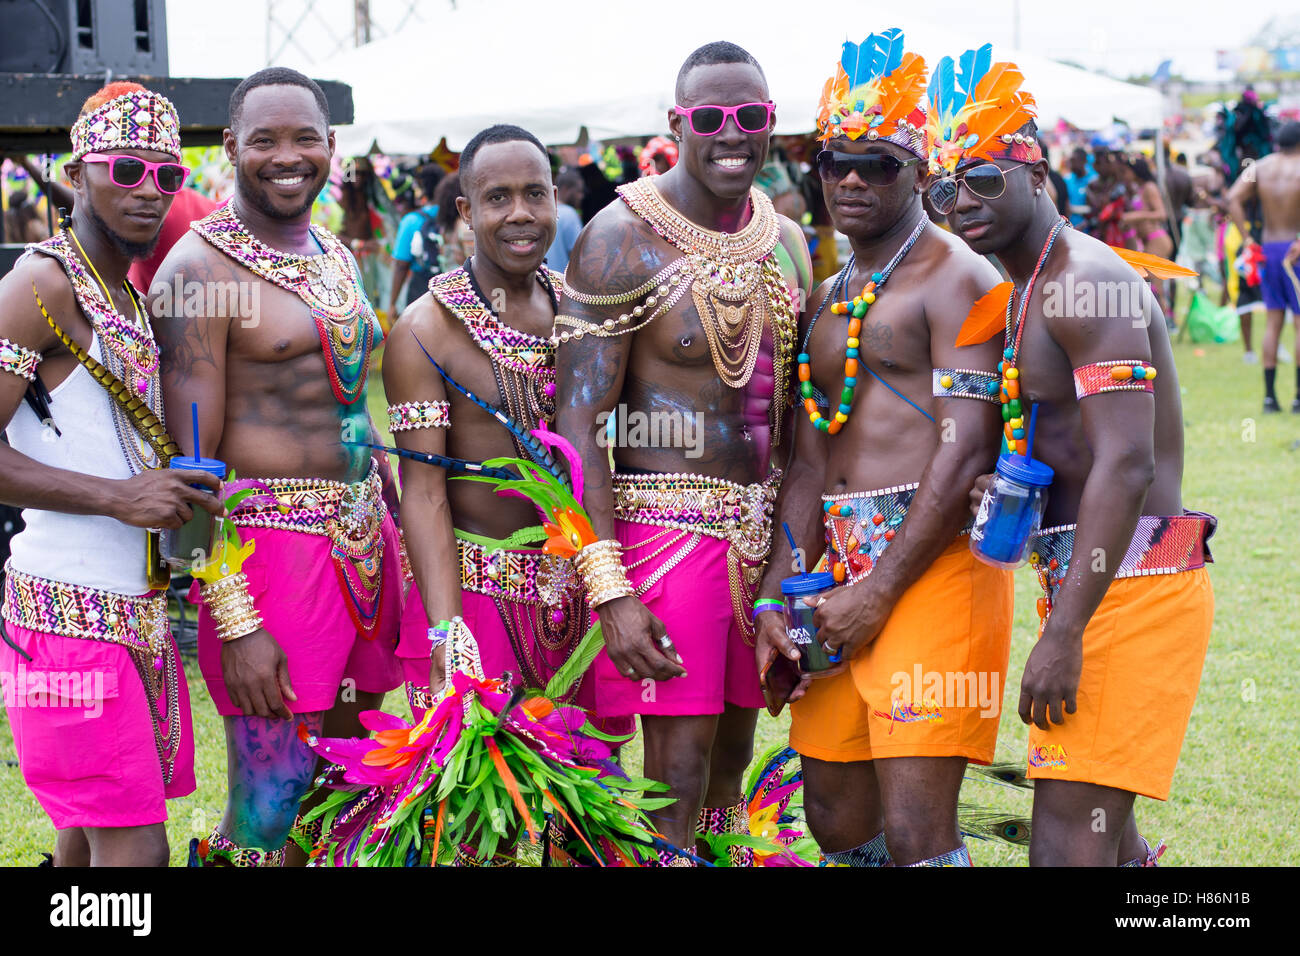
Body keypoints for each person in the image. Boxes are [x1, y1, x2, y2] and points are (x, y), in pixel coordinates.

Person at [939, 63, 1216, 867]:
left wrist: (1064, 634)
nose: (961, 205)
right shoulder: (1030, 287)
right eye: (945, 191)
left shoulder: (1089, 282)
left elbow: (1128, 464)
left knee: (1065, 841)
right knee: (1107, 837)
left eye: (983, 181)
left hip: (1129, 588)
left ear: (1036, 173)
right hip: (1091, 581)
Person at [752, 35, 1011, 868]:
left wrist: (881, 589)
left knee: (916, 829)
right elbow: (807, 459)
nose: (853, 181)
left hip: (932, 566)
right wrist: (771, 591)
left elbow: (967, 449)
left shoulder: (958, 277)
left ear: (920, 172)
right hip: (833, 575)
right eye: (836, 163)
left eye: (880, 165)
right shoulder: (829, 297)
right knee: (833, 810)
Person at [554, 40, 812, 865]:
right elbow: (577, 423)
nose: (732, 134)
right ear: (678, 124)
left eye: (751, 118)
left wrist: (784, 565)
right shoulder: (620, 237)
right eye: (711, 119)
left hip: (759, 540)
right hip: (661, 536)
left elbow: (799, 421)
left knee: (730, 782)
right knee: (675, 775)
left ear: (772, 124)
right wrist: (609, 587)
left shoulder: (790, 241)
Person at [152, 67, 404, 867]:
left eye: (305, 139)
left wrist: (396, 532)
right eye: (265, 140)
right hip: (269, 561)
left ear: (332, 147)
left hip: (364, 551)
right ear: (230, 150)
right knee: (271, 795)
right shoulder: (198, 274)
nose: (286, 157)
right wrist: (232, 619)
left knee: (347, 785)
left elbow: (357, 410)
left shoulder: (332, 254)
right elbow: (188, 465)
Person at [382, 126, 631, 865]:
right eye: (498, 198)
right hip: (477, 597)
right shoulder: (424, 332)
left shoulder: (579, 312)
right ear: (465, 210)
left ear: (557, 201)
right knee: (477, 826)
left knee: (584, 822)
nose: (519, 213)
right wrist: (447, 634)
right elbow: (421, 490)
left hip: (575, 600)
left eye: (535, 193)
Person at [0, 82, 224, 866]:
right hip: (61, 622)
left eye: (166, 176)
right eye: (125, 169)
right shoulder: (41, 284)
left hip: (128, 613)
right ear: (74, 171)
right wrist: (119, 497)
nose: (148, 192)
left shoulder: (123, 295)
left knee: (82, 835)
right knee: (135, 853)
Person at [1227, 120, 1300, 413]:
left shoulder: (1262, 166)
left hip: (1268, 249)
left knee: (1272, 322)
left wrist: (1247, 240)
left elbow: (1233, 198)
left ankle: (1270, 398)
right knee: (1298, 323)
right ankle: (1297, 398)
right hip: (1294, 251)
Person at [388, 163, 444, 317]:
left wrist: (392, 303)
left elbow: (401, 265)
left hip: (420, 290)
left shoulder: (411, 220)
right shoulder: (453, 216)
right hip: (450, 287)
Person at [544, 167, 585, 273]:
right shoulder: (569, 214)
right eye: (579, 191)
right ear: (566, 189)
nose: (581, 196)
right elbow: (579, 258)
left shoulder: (544, 212)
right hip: (560, 283)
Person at [1063, 147, 1095, 227]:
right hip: (1070, 228)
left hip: (1088, 231)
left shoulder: (1093, 180)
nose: (1072, 164)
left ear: (1084, 161)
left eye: (1074, 161)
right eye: (1071, 161)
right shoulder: (1067, 180)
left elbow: (1095, 208)